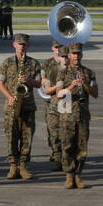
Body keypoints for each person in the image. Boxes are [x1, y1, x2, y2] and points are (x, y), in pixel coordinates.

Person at [51, 42, 98, 189]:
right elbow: (59, 94)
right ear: (69, 55)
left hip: (83, 115)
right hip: (67, 115)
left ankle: (78, 175)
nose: (76, 56)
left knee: (82, 147)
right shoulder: (62, 73)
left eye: (78, 53)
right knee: (67, 146)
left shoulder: (89, 73)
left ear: (82, 55)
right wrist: (71, 86)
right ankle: (69, 175)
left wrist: (85, 84)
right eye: (74, 53)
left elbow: (95, 94)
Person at [0, 32, 41, 179]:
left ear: (27, 46)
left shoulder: (34, 63)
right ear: (14, 44)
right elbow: (0, 83)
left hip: (28, 105)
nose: (21, 47)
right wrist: (9, 97)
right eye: (19, 44)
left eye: (24, 44)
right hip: (12, 105)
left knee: (27, 136)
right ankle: (13, 166)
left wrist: (29, 80)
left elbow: (39, 83)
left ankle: (23, 166)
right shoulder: (6, 63)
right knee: (11, 136)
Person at [40, 39, 67, 169]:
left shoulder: (69, 62)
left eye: (60, 47)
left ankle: (62, 155)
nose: (58, 49)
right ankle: (55, 152)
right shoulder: (48, 63)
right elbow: (43, 79)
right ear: (52, 48)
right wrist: (50, 84)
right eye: (56, 47)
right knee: (52, 129)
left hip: (66, 101)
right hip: (51, 99)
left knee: (65, 129)